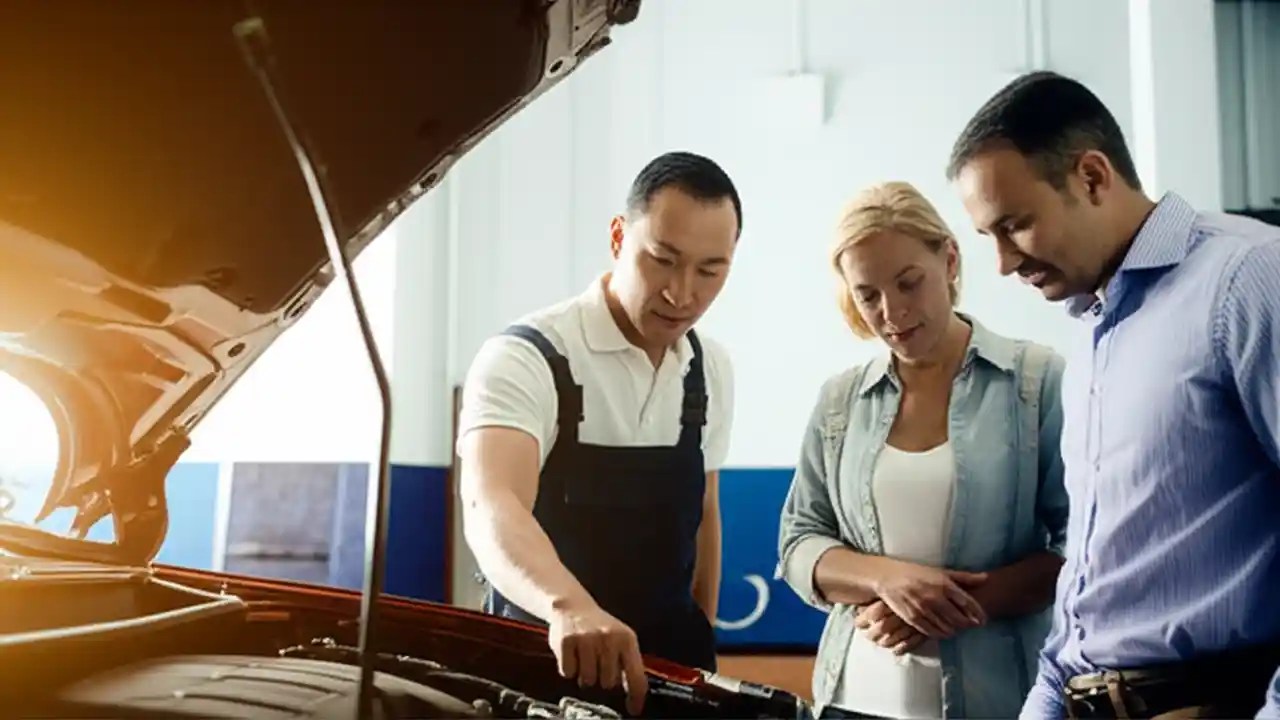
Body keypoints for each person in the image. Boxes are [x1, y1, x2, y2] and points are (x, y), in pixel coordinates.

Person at [946, 70, 1280, 719]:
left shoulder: (1248, 279)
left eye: (1015, 225)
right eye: (989, 236)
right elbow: (1091, 592)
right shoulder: (1094, 333)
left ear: (1092, 177)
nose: (1004, 263)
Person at [456, 150, 741, 716]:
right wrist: (568, 606)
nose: (682, 293)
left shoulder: (710, 366)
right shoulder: (527, 356)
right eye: (662, 260)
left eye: (710, 271)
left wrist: (700, 652)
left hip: (669, 678)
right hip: (540, 677)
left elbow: (704, 511)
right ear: (618, 237)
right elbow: (492, 504)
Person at [776, 180, 1069, 720]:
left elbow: (1082, 546)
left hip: (998, 702)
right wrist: (888, 580)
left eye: (909, 283)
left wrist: (950, 605)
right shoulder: (840, 400)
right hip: (851, 702)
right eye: (868, 295)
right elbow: (798, 544)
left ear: (950, 260)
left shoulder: (1036, 382)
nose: (892, 313)